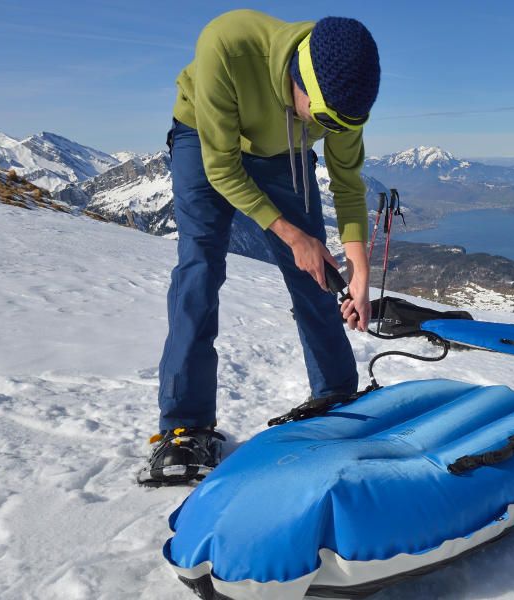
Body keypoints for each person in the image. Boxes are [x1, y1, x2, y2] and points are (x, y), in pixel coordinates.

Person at [141, 10, 381, 486]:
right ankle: (185, 427)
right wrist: (294, 236)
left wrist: (358, 270)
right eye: (326, 119)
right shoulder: (228, 45)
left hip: (284, 151)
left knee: (317, 273)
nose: (332, 130)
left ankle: (335, 398)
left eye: (342, 124)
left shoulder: (342, 100)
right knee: (200, 265)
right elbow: (223, 168)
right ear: (301, 79)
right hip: (204, 140)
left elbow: (348, 186)